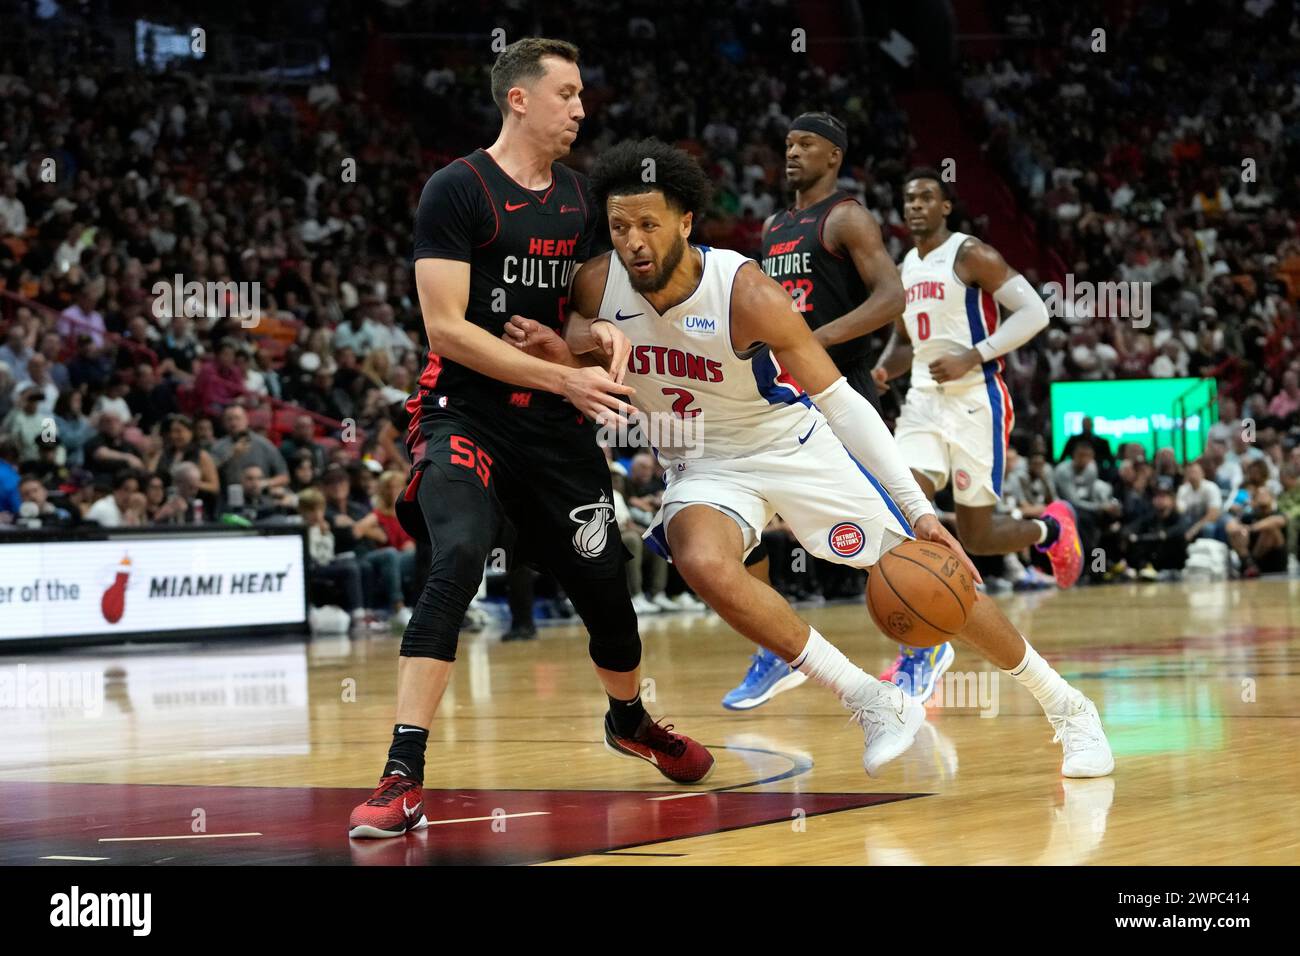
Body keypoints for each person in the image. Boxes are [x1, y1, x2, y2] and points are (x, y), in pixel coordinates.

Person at [515, 138, 1112, 781]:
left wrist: (919, 511)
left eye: (649, 224)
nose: (633, 240)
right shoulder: (596, 284)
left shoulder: (745, 290)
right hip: (703, 461)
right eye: (620, 226)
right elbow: (583, 348)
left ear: (686, 223)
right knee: (700, 558)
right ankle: (871, 701)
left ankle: (1069, 707)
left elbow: (842, 401)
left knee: (929, 576)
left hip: (792, 443)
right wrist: (561, 351)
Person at [348, 39, 710, 841]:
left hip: (552, 428)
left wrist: (598, 344)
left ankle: (629, 720)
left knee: (609, 598)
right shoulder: (457, 189)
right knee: (458, 558)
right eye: (567, 94)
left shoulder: (581, 198)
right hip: (464, 413)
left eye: (582, 95)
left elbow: (580, 313)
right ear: (519, 100)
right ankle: (402, 772)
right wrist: (567, 377)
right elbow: (445, 327)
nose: (581, 109)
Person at [872, 167, 1081, 696]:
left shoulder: (972, 254)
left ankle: (1050, 531)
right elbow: (905, 345)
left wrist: (974, 355)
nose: (915, 205)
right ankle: (922, 645)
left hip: (976, 403)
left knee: (978, 536)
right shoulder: (904, 267)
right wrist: (882, 370)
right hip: (920, 403)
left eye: (926, 197)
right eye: (908, 198)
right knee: (901, 503)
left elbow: (1035, 312)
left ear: (946, 207)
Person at [724, 111, 906, 710]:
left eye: (806, 144)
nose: (792, 152)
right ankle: (776, 651)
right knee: (744, 505)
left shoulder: (847, 216)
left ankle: (925, 639)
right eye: (788, 144)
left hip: (840, 382)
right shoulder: (776, 224)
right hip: (783, 389)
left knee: (880, 519)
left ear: (834, 155)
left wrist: (817, 342)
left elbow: (890, 297)